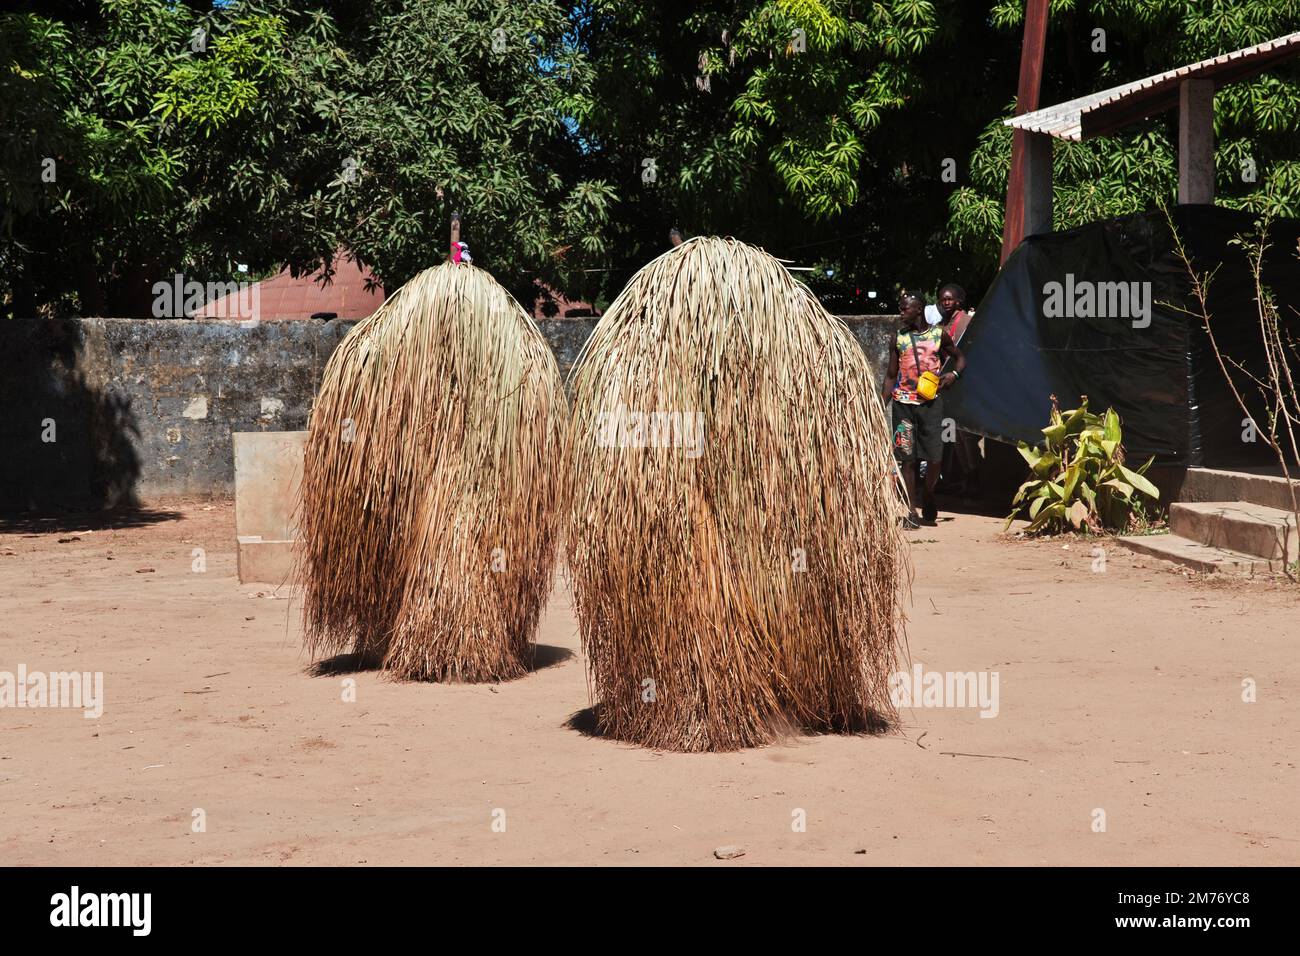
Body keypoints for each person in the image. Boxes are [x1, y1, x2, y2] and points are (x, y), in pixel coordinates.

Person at [883, 292, 966, 528]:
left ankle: (928, 492)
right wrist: (881, 403)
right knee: (907, 459)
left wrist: (953, 375)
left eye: (904, 309)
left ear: (918, 310)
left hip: (930, 404)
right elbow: (890, 375)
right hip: (903, 404)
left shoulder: (939, 335)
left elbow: (960, 359)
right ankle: (911, 510)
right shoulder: (898, 338)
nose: (901, 313)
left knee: (935, 458)